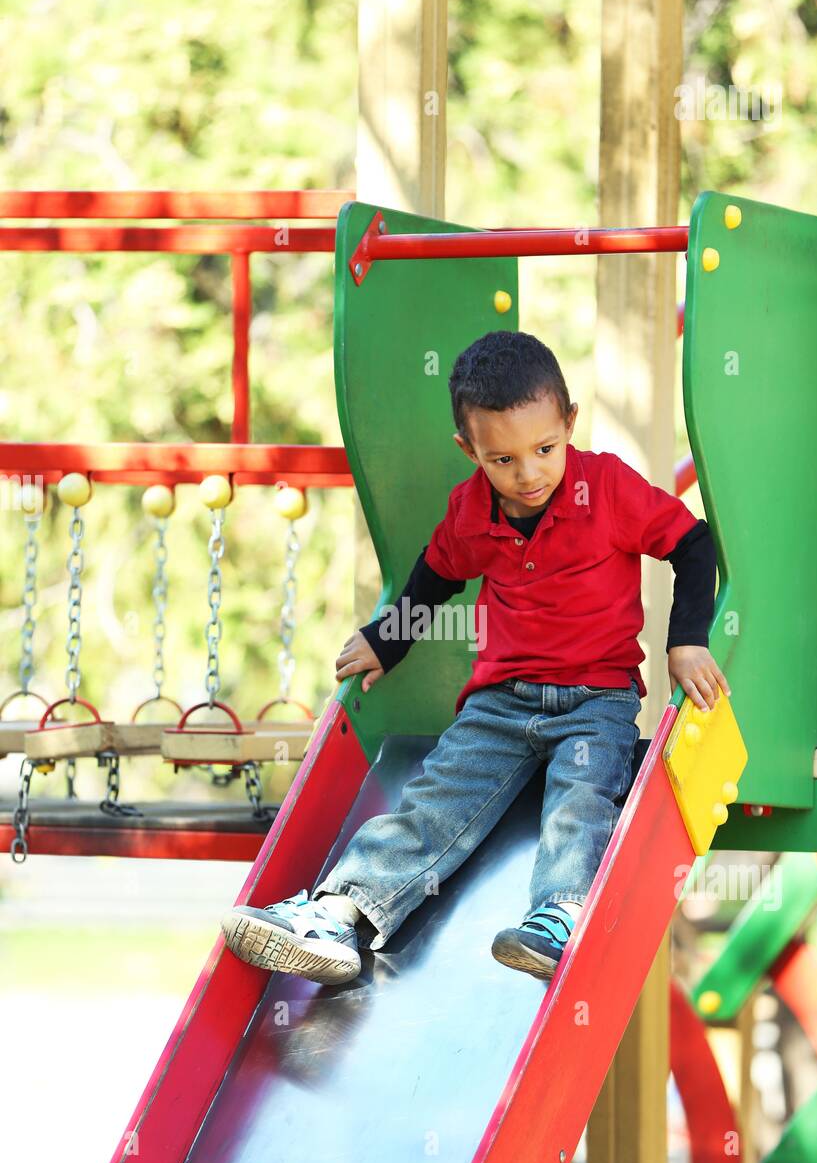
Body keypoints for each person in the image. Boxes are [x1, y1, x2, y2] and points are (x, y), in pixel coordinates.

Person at [221, 331, 728, 985]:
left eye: (546, 449)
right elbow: (434, 576)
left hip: (596, 699)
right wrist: (388, 639)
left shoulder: (604, 487)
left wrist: (686, 639)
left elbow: (691, 544)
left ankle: (558, 918)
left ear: (569, 423)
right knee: (436, 800)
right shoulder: (470, 512)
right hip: (500, 702)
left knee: (581, 799)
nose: (529, 473)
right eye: (504, 459)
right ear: (470, 451)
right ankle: (336, 915)